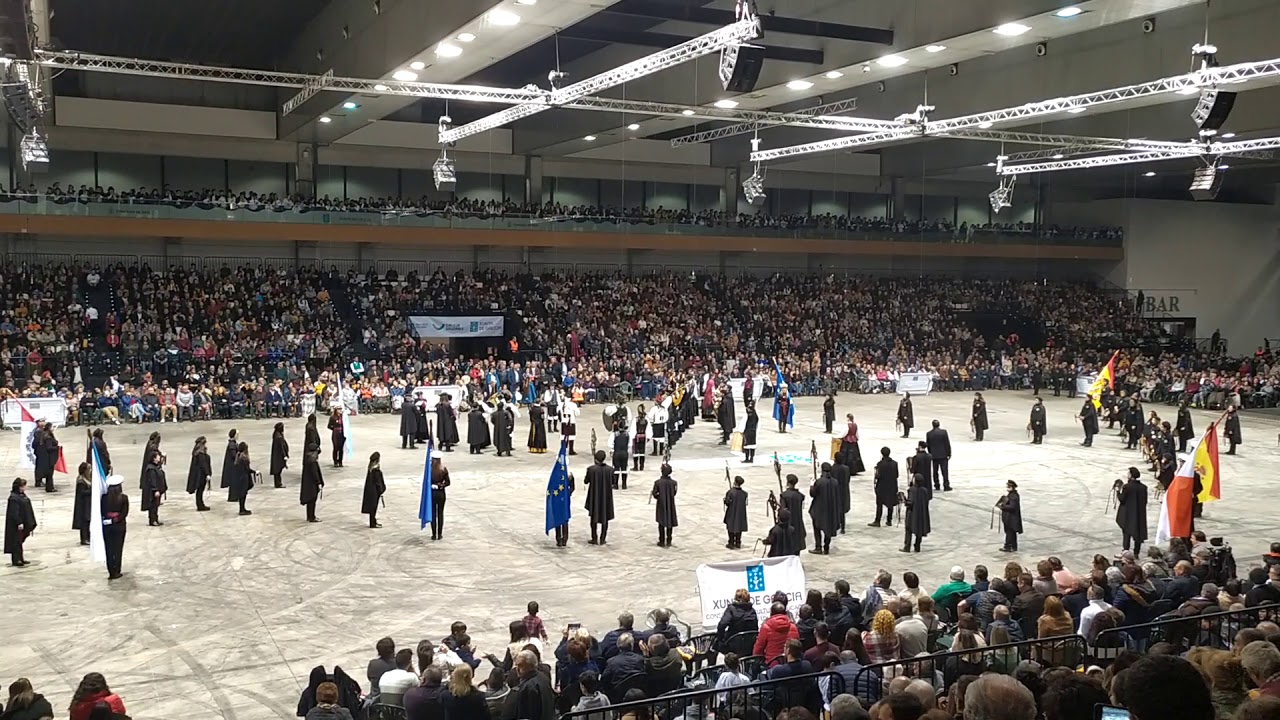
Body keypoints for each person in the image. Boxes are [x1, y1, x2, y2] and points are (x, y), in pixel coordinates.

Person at [509, 650, 555, 720]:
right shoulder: (543, 677)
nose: (517, 669)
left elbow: (529, 714)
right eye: (516, 665)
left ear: (530, 666)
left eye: (520, 666)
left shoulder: (528, 687)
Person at [584, 450, 615, 545]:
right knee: (605, 517)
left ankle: (594, 537)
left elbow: (586, 481)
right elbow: (613, 482)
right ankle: (602, 538)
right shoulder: (610, 470)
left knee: (593, 517)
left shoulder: (591, 469)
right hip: (606, 496)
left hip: (594, 496)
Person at [101, 475, 129, 579]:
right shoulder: (124, 498)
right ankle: (117, 570)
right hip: (119, 526)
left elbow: (103, 511)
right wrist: (115, 520)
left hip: (107, 526)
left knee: (109, 548)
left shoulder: (104, 498)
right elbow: (124, 513)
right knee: (118, 548)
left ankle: (111, 571)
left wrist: (108, 520)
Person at [809, 463, 840, 555]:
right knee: (828, 528)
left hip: (819, 508)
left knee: (817, 527)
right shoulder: (835, 482)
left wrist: (811, 485)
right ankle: (826, 547)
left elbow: (813, 494)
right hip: (831, 508)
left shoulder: (819, 482)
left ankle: (818, 547)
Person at [1117, 467, 1149, 556]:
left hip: (1128, 514)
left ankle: (1125, 551)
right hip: (1139, 514)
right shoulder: (1143, 487)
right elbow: (1145, 501)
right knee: (1138, 534)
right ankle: (1136, 552)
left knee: (1126, 533)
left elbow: (1122, 499)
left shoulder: (1127, 487)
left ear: (1131, 475)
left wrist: (1118, 492)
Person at [5, 478, 36, 566]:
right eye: (23, 486)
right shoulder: (13, 498)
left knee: (19, 541)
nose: (24, 488)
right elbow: (14, 512)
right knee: (16, 541)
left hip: (24, 522)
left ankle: (20, 558)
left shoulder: (22, 496)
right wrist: (19, 522)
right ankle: (16, 559)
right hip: (16, 524)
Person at [901, 473, 931, 554]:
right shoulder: (924, 490)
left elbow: (910, 503)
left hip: (912, 513)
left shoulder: (912, 490)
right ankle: (917, 546)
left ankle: (907, 546)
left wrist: (904, 500)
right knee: (919, 530)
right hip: (921, 513)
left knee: (908, 529)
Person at [870, 447, 899, 528]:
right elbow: (897, 475)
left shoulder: (880, 464)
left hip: (882, 486)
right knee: (890, 503)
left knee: (879, 504)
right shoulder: (895, 463)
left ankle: (877, 521)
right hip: (892, 485)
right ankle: (889, 520)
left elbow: (878, 476)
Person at [652, 463, 678, 547]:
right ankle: (669, 540)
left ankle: (662, 540)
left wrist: (659, 496)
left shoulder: (657, 482)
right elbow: (674, 493)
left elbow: (655, 494)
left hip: (661, 504)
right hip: (670, 504)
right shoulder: (674, 483)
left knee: (661, 522)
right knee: (670, 521)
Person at [141, 451, 168, 527]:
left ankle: (155, 519)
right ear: (154, 458)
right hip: (152, 491)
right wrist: (155, 490)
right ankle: (152, 520)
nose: (159, 457)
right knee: (153, 506)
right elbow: (153, 480)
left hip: (158, 489)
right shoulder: (151, 469)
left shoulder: (155, 466)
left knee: (156, 505)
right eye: (158, 456)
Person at [186, 436, 212, 511]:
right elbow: (203, 464)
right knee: (200, 490)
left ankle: (200, 504)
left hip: (198, 474)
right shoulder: (200, 453)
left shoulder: (196, 452)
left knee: (199, 491)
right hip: (201, 475)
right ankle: (200, 505)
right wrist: (207, 474)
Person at [781, 474, 807, 546]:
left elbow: (783, 510)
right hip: (798, 522)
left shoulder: (784, 495)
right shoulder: (800, 496)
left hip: (788, 523)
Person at [926, 419, 952, 492]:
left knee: (935, 471)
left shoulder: (929, 434)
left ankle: (937, 485)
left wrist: (930, 453)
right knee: (945, 471)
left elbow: (928, 445)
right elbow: (947, 443)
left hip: (934, 455)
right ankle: (946, 485)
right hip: (943, 455)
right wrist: (949, 453)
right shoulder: (943, 432)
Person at [300, 445, 325, 523]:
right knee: (312, 500)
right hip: (312, 485)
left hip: (308, 484)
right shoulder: (313, 462)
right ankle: (312, 517)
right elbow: (315, 474)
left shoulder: (307, 460)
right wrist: (319, 483)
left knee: (310, 500)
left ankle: (309, 516)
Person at [229, 442, 255, 515]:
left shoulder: (238, 456)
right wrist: (254, 472)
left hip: (239, 478)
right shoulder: (244, 458)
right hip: (243, 478)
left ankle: (242, 508)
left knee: (242, 494)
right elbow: (246, 469)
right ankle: (242, 509)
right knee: (243, 494)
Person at [723, 475, 748, 549]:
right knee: (739, 526)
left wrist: (725, 500)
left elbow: (727, 503)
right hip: (740, 512)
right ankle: (738, 542)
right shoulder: (744, 493)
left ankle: (731, 542)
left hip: (732, 511)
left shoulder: (730, 492)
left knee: (730, 526)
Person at [362, 452, 385, 529]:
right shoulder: (376, 470)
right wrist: (381, 490)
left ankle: (373, 521)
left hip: (370, 491)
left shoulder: (370, 469)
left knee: (372, 507)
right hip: (374, 492)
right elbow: (378, 482)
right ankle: (372, 523)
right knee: (373, 507)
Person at [998, 480, 1023, 552]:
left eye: (1009, 487)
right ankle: (1013, 546)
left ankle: (1008, 546)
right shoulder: (1012, 495)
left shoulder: (1013, 496)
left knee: (1010, 532)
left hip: (1011, 518)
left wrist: (1003, 506)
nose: (1007, 488)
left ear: (1012, 487)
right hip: (1010, 518)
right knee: (1011, 532)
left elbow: (1012, 507)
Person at [430, 456, 450, 540]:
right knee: (440, 513)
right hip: (441, 493)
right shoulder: (443, 469)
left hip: (432, 493)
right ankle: (440, 534)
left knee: (433, 514)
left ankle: (434, 534)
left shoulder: (429, 470)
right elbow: (448, 482)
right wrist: (441, 485)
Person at [73, 462, 93, 544]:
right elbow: (82, 493)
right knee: (84, 522)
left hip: (87, 504)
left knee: (87, 522)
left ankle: (88, 537)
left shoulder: (87, 479)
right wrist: (92, 490)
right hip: (83, 505)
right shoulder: (81, 481)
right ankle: (84, 539)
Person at [611, 417, 630, 489]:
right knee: (624, 468)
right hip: (625, 453)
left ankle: (615, 484)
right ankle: (624, 484)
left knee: (616, 468)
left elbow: (610, 443)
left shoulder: (615, 434)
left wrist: (612, 449)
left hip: (617, 452)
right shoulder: (627, 434)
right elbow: (630, 444)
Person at [270, 422, 289, 488]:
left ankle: (277, 483)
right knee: (278, 469)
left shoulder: (276, 434)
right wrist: (285, 456)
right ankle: (278, 483)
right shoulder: (279, 437)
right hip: (278, 456)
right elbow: (282, 447)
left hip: (276, 455)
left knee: (277, 470)